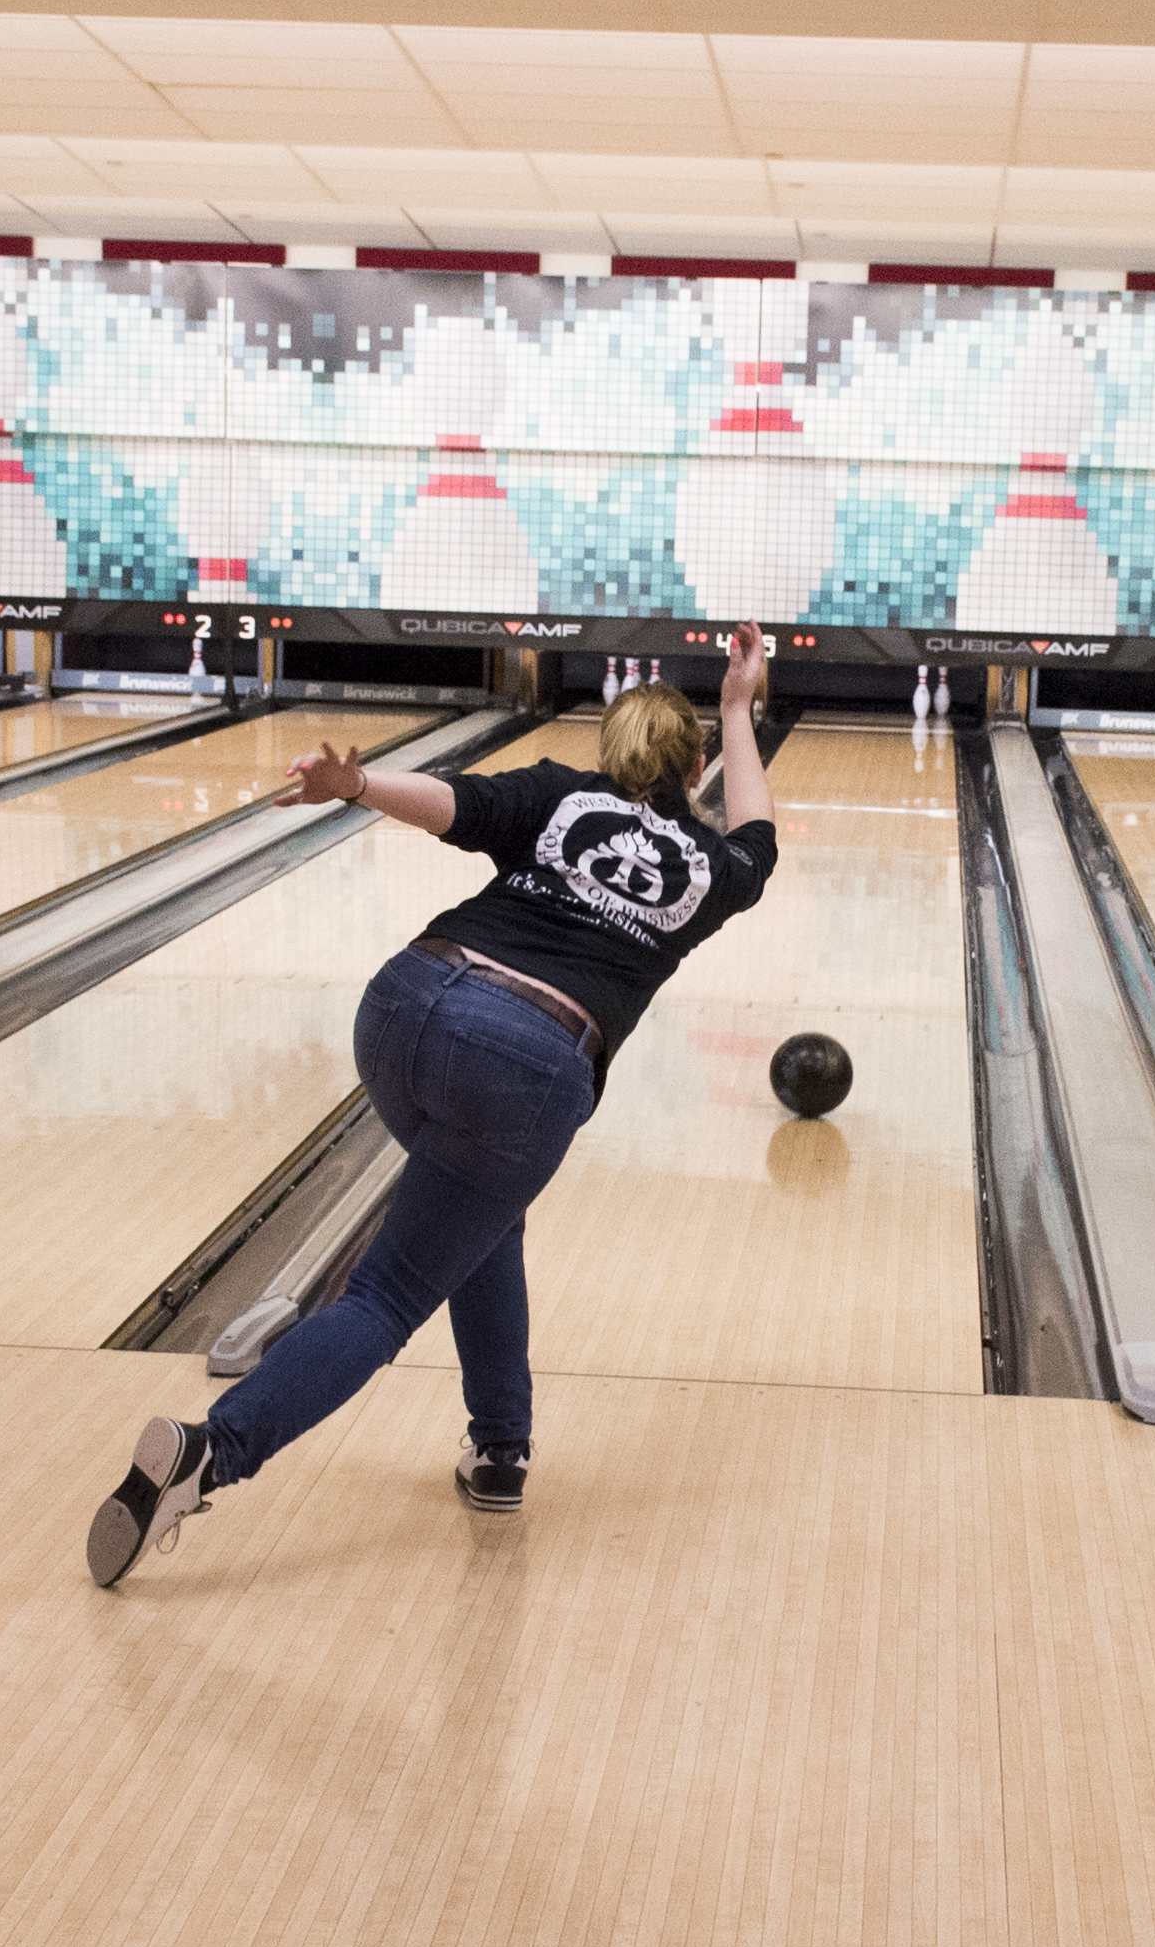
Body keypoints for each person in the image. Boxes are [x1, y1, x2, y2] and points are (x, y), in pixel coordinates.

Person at [88, 625, 780, 1585]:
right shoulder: (710, 870)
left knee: (482, 1218)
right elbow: (758, 833)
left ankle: (501, 1448)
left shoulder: (560, 794)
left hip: (403, 1005)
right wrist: (740, 705)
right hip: (529, 1061)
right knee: (385, 1296)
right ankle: (211, 1454)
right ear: (693, 768)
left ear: (607, 751)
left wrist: (357, 785)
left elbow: (454, 804)